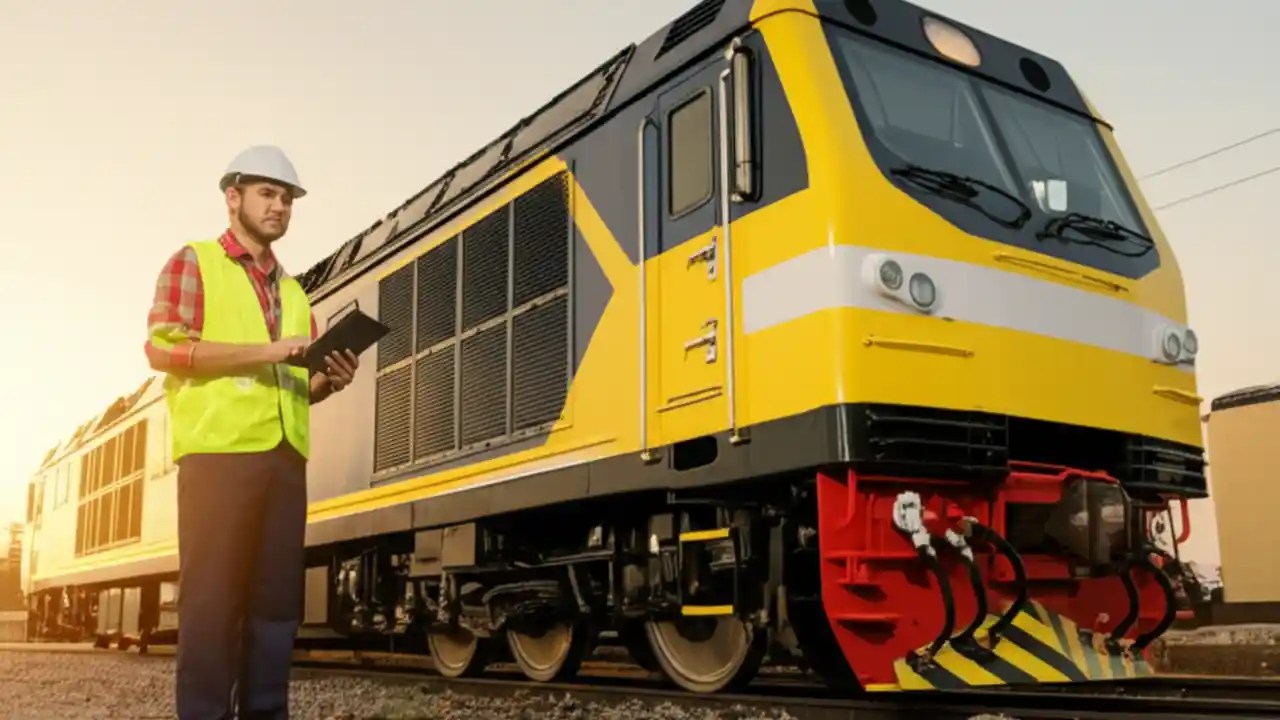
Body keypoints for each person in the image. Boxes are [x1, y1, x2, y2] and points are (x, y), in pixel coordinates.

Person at [144, 145, 360, 719]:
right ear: (233, 197)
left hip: (285, 462)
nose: (279, 206)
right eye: (268, 193)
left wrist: (330, 381)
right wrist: (269, 349)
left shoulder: (295, 293)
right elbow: (163, 348)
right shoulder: (194, 262)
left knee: (274, 613)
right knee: (211, 609)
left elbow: (297, 384)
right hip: (218, 459)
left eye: (287, 198)